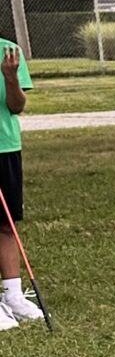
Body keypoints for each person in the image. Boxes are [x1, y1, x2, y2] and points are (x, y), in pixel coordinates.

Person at [0, 30, 40, 330]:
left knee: (6, 223)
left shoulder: (9, 51)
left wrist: (11, 77)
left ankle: (13, 295)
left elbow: (16, 106)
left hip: (6, 148)